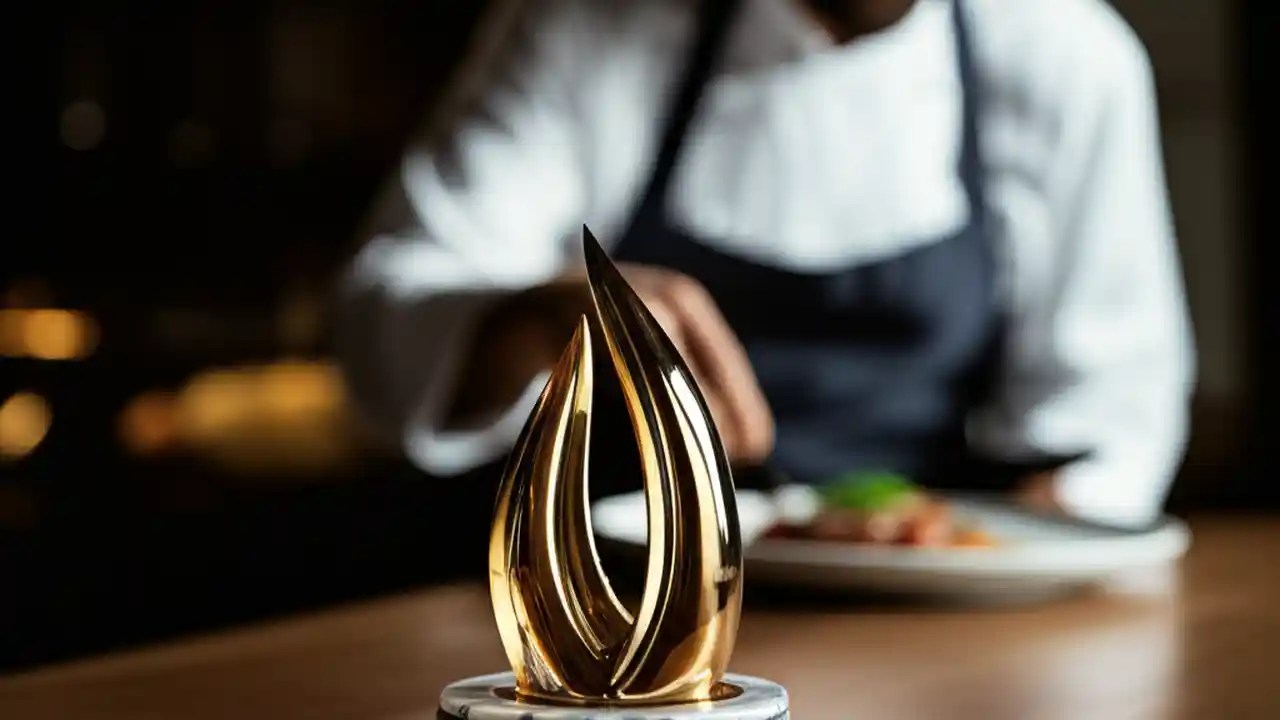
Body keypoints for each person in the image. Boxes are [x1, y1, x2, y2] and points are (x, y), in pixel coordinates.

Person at [337, 0, 1195, 528]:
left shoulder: (1068, 57)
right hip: (612, 607)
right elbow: (383, 330)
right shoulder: (588, 22)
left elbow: (1107, 421)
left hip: (931, 622)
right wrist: (538, 315)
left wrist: (983, 541)